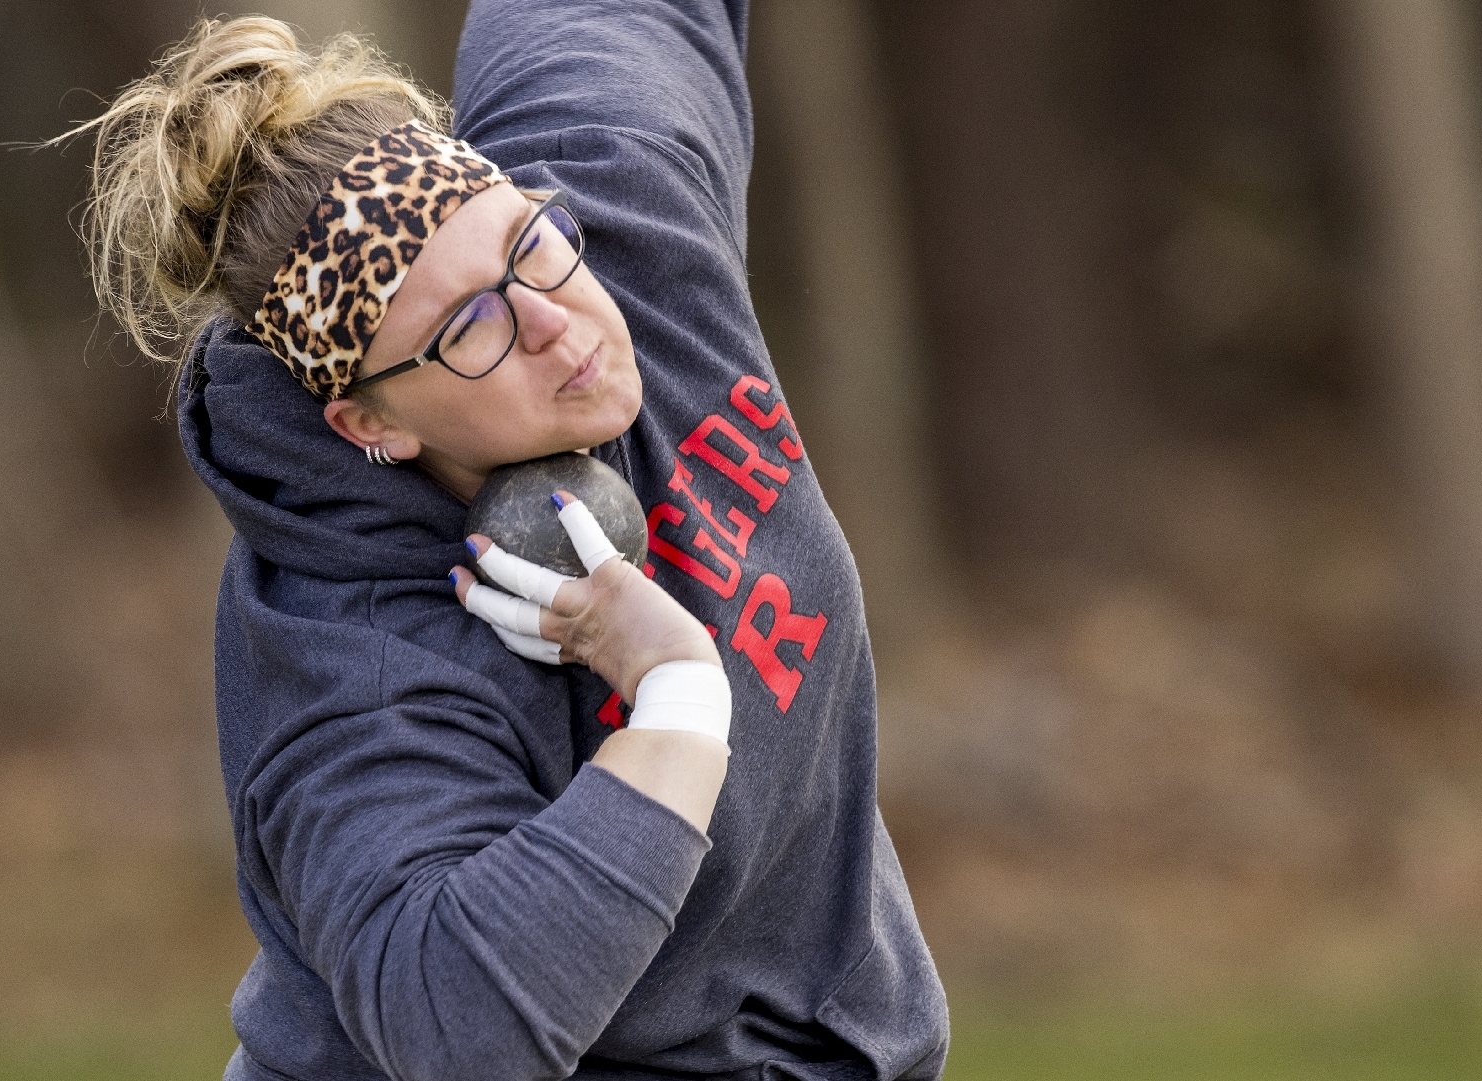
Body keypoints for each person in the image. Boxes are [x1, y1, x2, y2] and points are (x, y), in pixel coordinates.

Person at [69, 2, 948, 1078]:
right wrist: (678, 697)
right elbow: (458, 1024)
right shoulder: (359, 662)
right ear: (372, 423)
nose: (552, 319)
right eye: (470, 328)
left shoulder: (620, 214)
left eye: (527, 245)